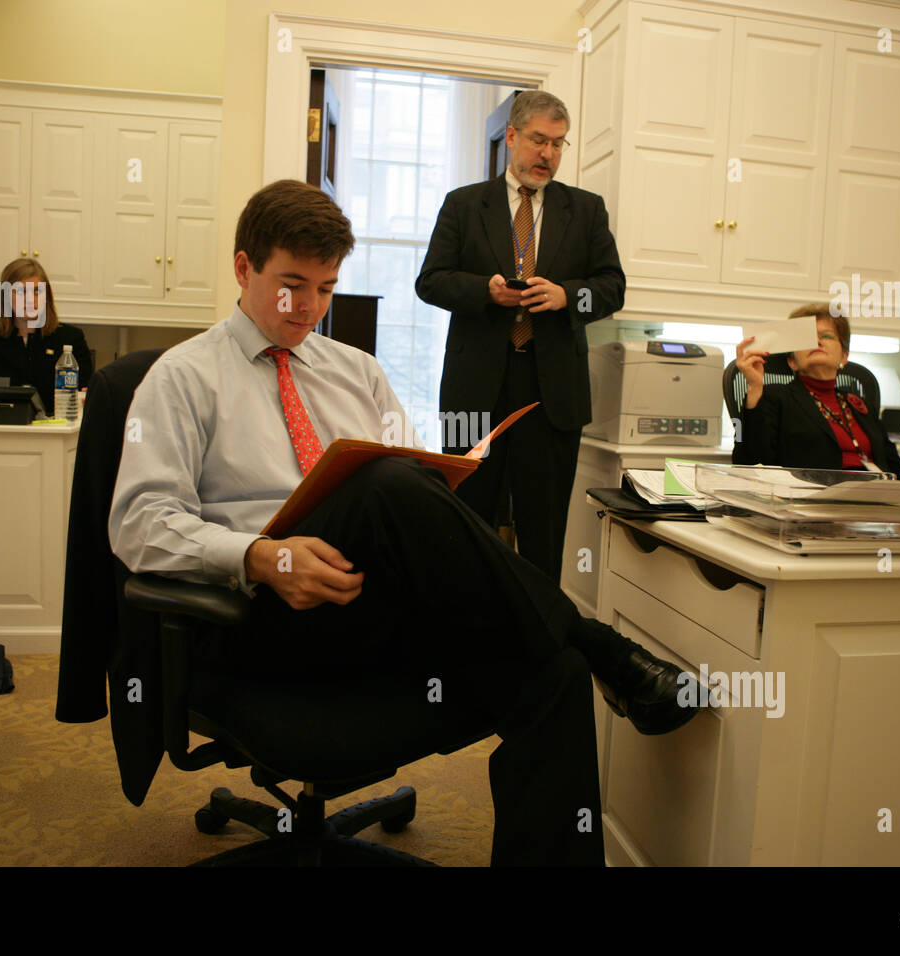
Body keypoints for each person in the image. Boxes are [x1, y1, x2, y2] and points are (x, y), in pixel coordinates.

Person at [108, 180, 701, 866]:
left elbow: (416, 501)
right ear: (243, 268)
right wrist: (259, 557)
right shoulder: (181, 378)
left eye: (326, 289)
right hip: (261, 618)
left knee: (552, 673)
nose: (309, 308)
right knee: (385, 483)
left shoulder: (356, 371)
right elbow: (138, 523)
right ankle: (602, 644)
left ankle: (581, 660)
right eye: (290, 285)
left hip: (375, 608)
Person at [415, 91, 624, 585]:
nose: (547, 154)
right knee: (469, 519)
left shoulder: (587, 210)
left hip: (553, 394)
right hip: (475, 389)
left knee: (544, 527)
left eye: (557, 143)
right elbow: (430, 282)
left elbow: (612, 290)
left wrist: (568, 297)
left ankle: (538, 636)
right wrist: (485, 291)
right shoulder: (463, 204)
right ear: (512, 137)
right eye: (538, 140)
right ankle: (470, 628)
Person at [732, 302, 900, 476]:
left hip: (875, 495)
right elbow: (747, 462)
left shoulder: (859, 404)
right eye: (808, 338)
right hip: (811, 496)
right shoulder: (775, 397)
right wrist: (754, 387)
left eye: (827, 336)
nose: (818, 342)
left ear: (844, 356)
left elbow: (894, 466)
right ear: (792, 361)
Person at [0, 258, 92, 416]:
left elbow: (87, 392)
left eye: (37, 291)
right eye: (20, 291)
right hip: (0, 432)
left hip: (57, 433)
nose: (30, 299)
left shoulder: (70, 339)